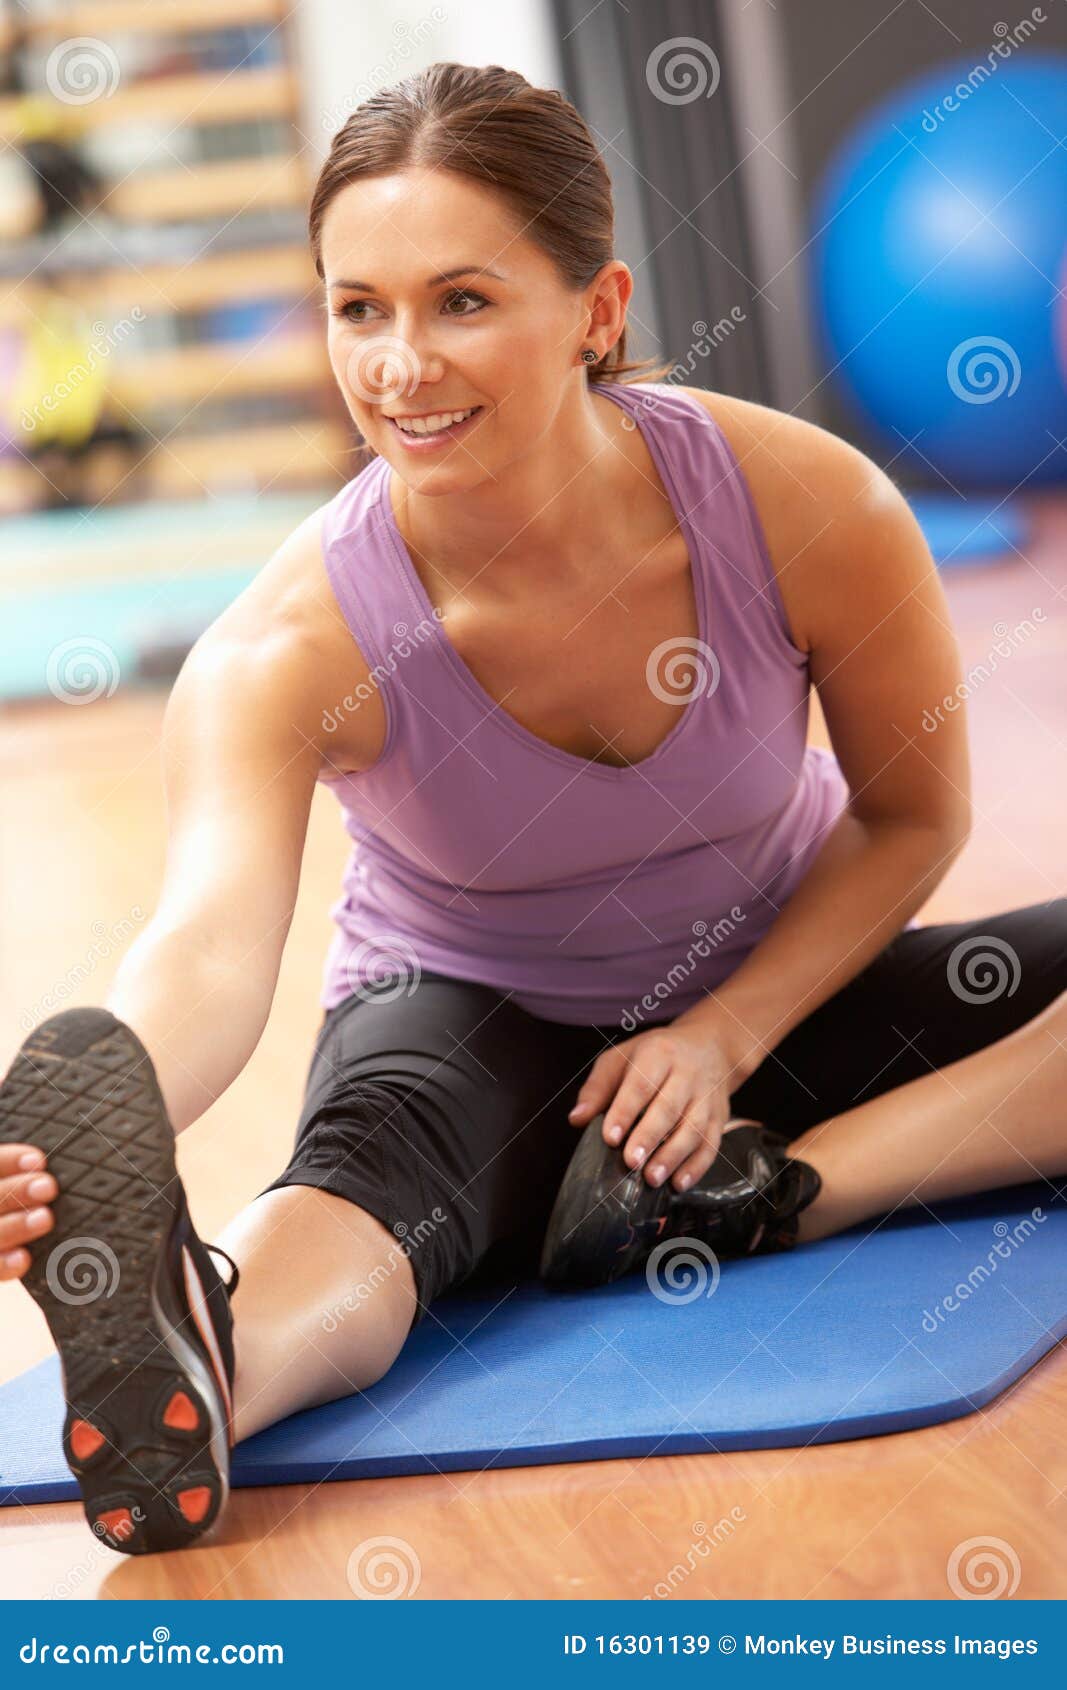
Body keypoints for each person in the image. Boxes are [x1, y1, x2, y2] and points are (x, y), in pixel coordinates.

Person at [3, 62, 1067, 1557]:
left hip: (772, 1004)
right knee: (365, 1196)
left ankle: (776, 1190)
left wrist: (721, 1035)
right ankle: (196, 1359)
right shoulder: (287, 644)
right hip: (469, 1027)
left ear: (598, 308)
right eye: (355, 307)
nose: (399, 362)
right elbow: (210, 945)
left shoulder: (807, 508)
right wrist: (107, 1120)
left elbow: (908, 819)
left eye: (462, 300)